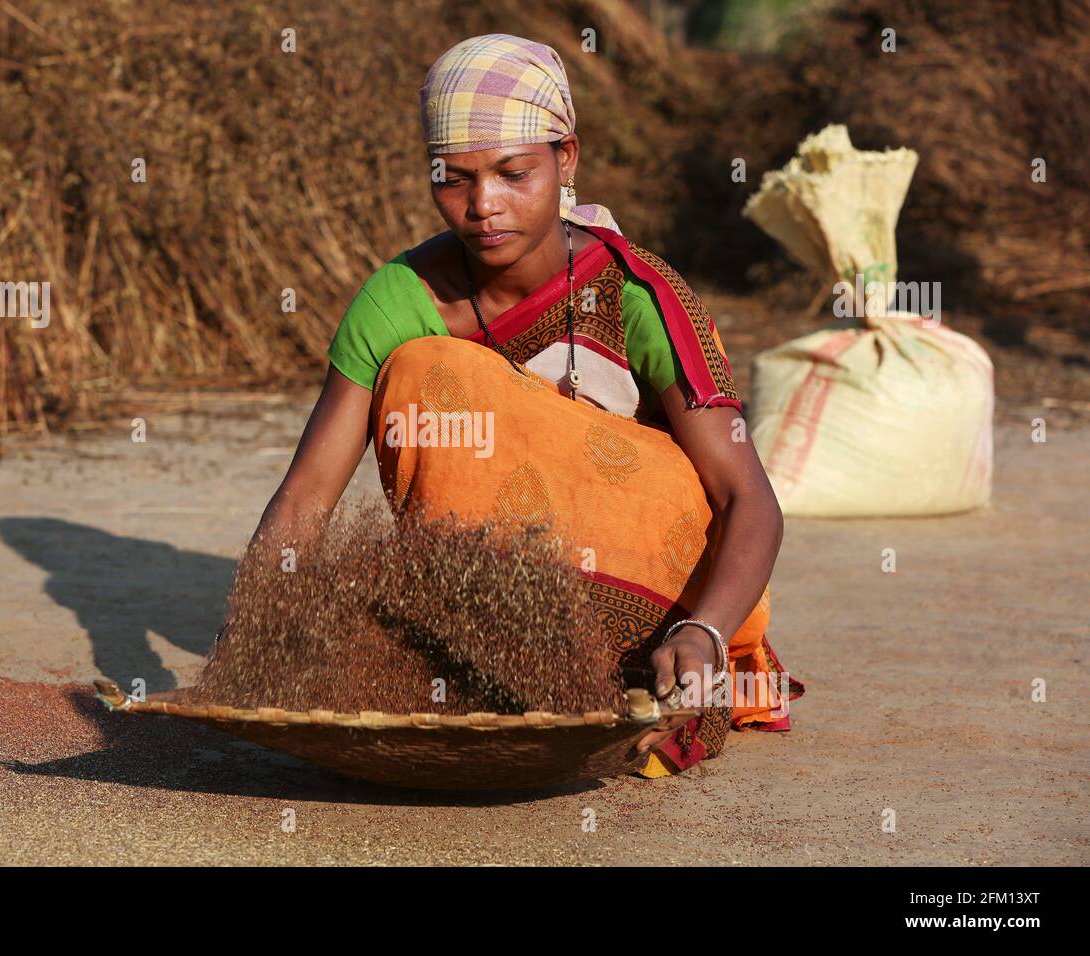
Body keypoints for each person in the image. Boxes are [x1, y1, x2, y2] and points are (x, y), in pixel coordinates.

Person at [249, 33, 803, 777]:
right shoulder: (400, 298)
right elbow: (307, 497)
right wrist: (259, 645)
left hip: (665, 593)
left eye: (515, 174)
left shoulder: (636, 294)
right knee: (426, 372)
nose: (483, 207)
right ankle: (485, 657)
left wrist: (705, 630)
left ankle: (616, 671)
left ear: (566, 158)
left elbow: (748, 497)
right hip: (486, 600)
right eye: (456, 179)